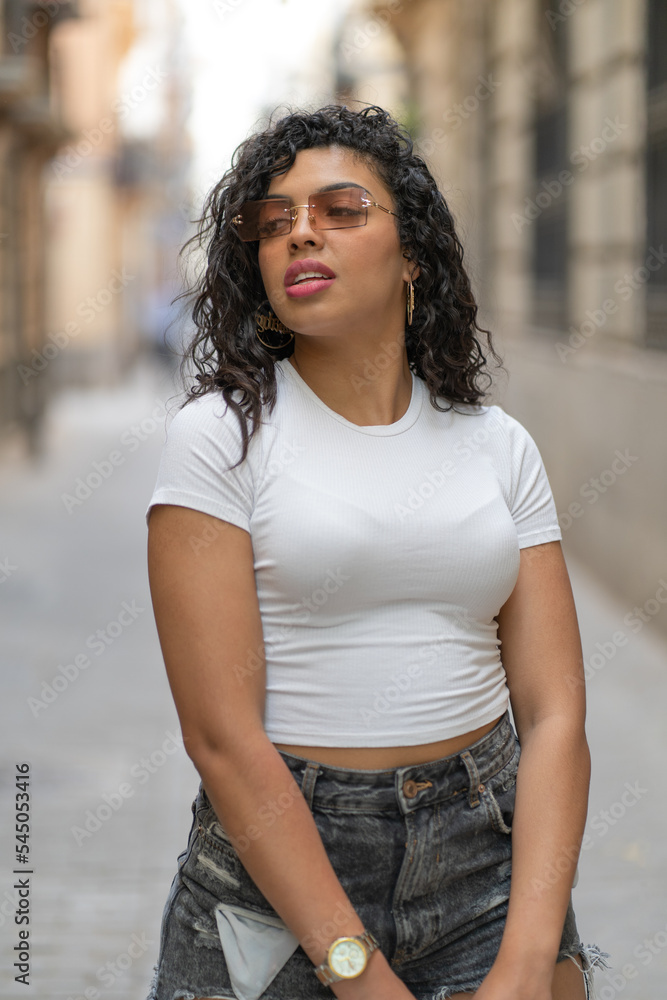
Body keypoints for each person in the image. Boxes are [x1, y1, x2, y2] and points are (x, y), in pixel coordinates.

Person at [143, 104, 610, 1000]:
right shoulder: (220, 439)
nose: (299, 234)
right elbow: (222, 739)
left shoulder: (496, 444)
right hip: (277, 895)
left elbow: (554, 716)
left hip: (489, 866)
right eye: (272, 223)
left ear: (414, 256)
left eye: (341, 209)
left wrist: (524, 957)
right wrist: (354, 973)